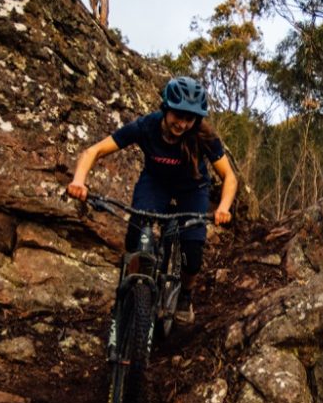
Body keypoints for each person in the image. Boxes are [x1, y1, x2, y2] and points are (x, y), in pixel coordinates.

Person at [67, 76, 237, 323]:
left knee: (192, 253)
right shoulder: (146, 126)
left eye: (189, 119)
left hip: (193, 189)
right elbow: (95, 150)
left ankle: (185, 295)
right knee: (136, 234)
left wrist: (223, 207)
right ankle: (131, 291)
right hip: (156, 183)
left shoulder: (203, 136)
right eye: (178, 115)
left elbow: (229, 176)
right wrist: (78, 181)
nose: (182, 124)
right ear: (166, 109)